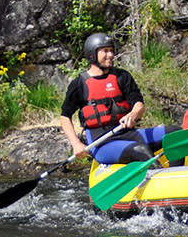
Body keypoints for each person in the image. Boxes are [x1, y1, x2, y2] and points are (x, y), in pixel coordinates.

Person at [59, 32, 175, 164]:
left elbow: (138, 104)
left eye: (111, 50)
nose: (111, 55)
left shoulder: (122, 76)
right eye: (105, 51)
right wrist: (76, 144)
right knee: (140, 150)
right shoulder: (79, 84)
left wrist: (133, 114)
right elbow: (65, 117)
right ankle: (156, 175)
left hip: (128, 134)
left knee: (176, 134)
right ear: (92, 55)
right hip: (102, 144)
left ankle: (177, 174)